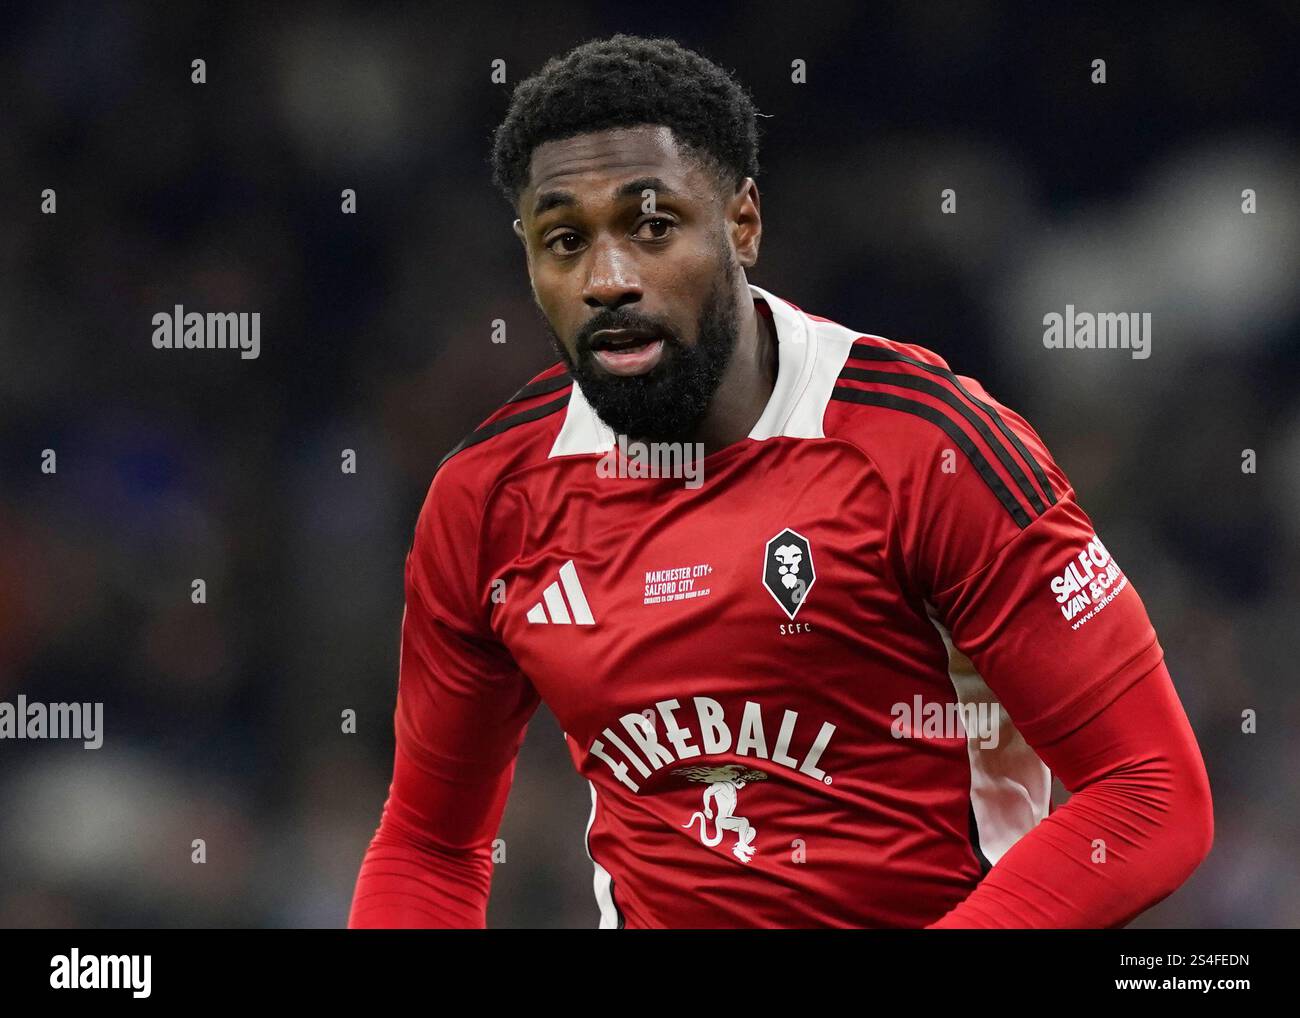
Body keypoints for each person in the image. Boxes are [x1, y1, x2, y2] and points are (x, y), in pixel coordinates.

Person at [348, 34, 1213, 929]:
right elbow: (430, 845)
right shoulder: (489, 498)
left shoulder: (930, 450)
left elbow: (1148, 793)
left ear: (743, 224)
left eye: (652, 226)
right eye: (565, 240)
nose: (608, 280)